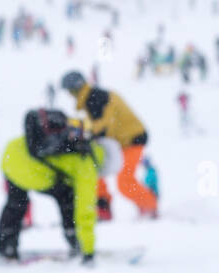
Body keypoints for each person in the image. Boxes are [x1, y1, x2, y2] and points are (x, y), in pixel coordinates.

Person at [0, 109, 120, 264]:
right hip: (31, 171)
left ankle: (7, 247)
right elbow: (85, 211)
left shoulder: (79, 142)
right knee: (68, 198)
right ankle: (76, 242)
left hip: (12, 153)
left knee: (16, 204)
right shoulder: (87, 165)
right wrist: (88, 251)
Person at [61, 72, 158, 217]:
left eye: (70, 91)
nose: (70, 95)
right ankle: (103, 206)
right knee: (93, 167)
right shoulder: (90, 98)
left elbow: (103, 124)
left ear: (75, 88)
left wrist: (83, 132)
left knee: (124, 182)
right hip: (119, 141)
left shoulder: (96, 97)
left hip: (132, 139)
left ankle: (151, 206)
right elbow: (98, 126)